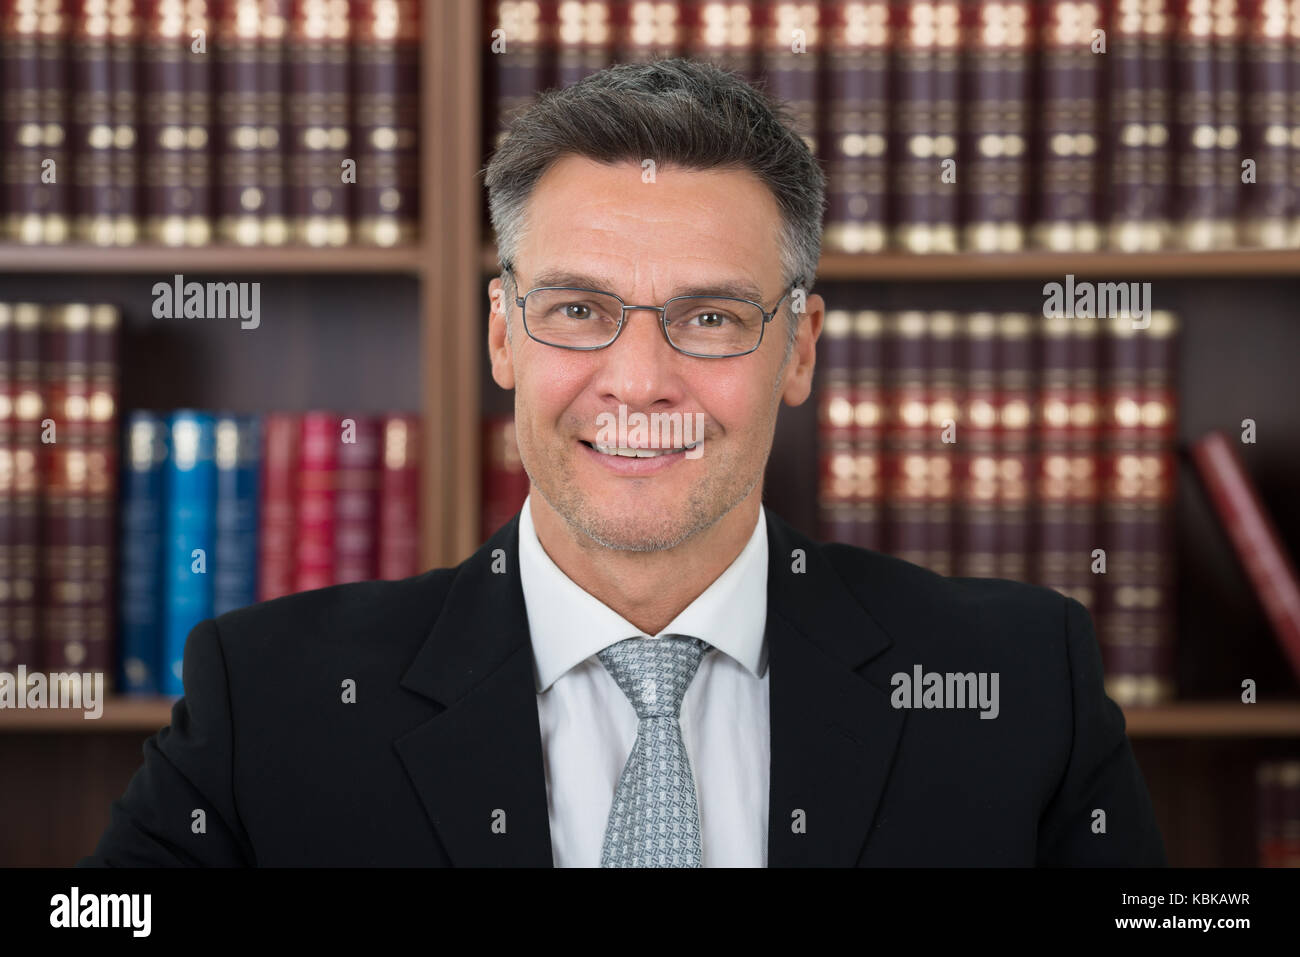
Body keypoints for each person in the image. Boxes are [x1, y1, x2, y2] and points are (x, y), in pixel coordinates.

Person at [82, 58, 1165, 867]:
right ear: (502, 335)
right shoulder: (268, 698)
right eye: (577, 310)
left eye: (709, 315)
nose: (638, 380)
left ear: (799, 348)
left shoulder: (1022, 686)